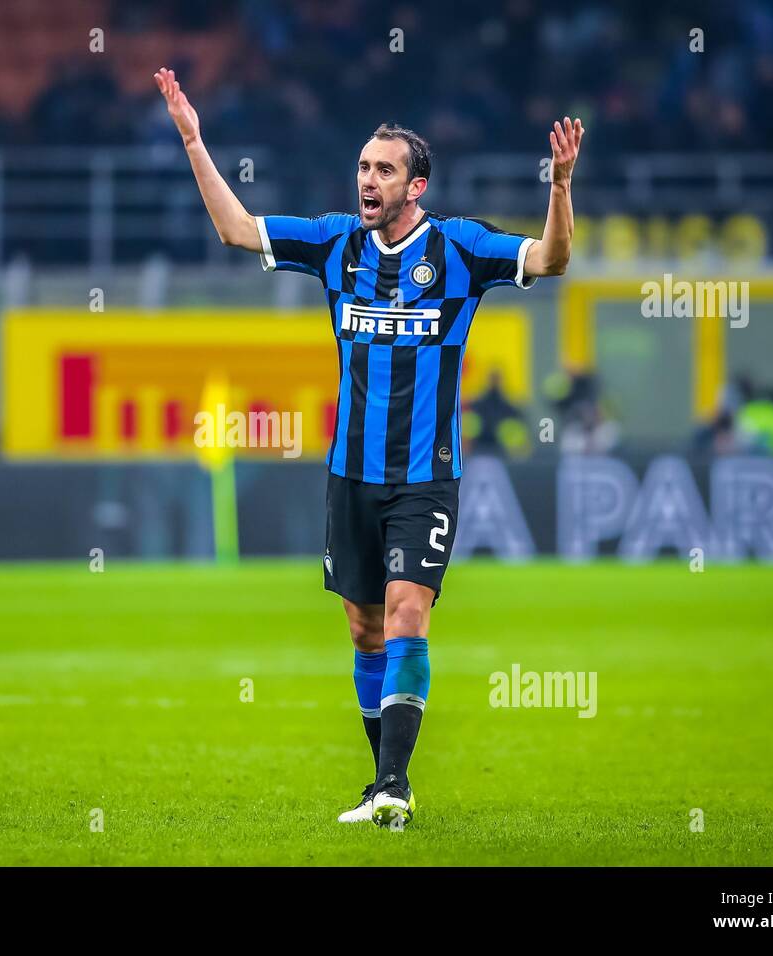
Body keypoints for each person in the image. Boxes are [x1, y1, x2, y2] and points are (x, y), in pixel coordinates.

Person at [155, 67, 582, 826]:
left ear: (416, 186)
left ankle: (392, 787)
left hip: (426, 478)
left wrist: (559, 187)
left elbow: (550, 261)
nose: (368, 179)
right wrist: (193, 138)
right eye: (362, 166)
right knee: (364, 627)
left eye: (384, 169)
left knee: (409, 613)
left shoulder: (461, 250)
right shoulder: (332, 245)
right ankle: (381, 779)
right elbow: (236, 228)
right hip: (349, 475)